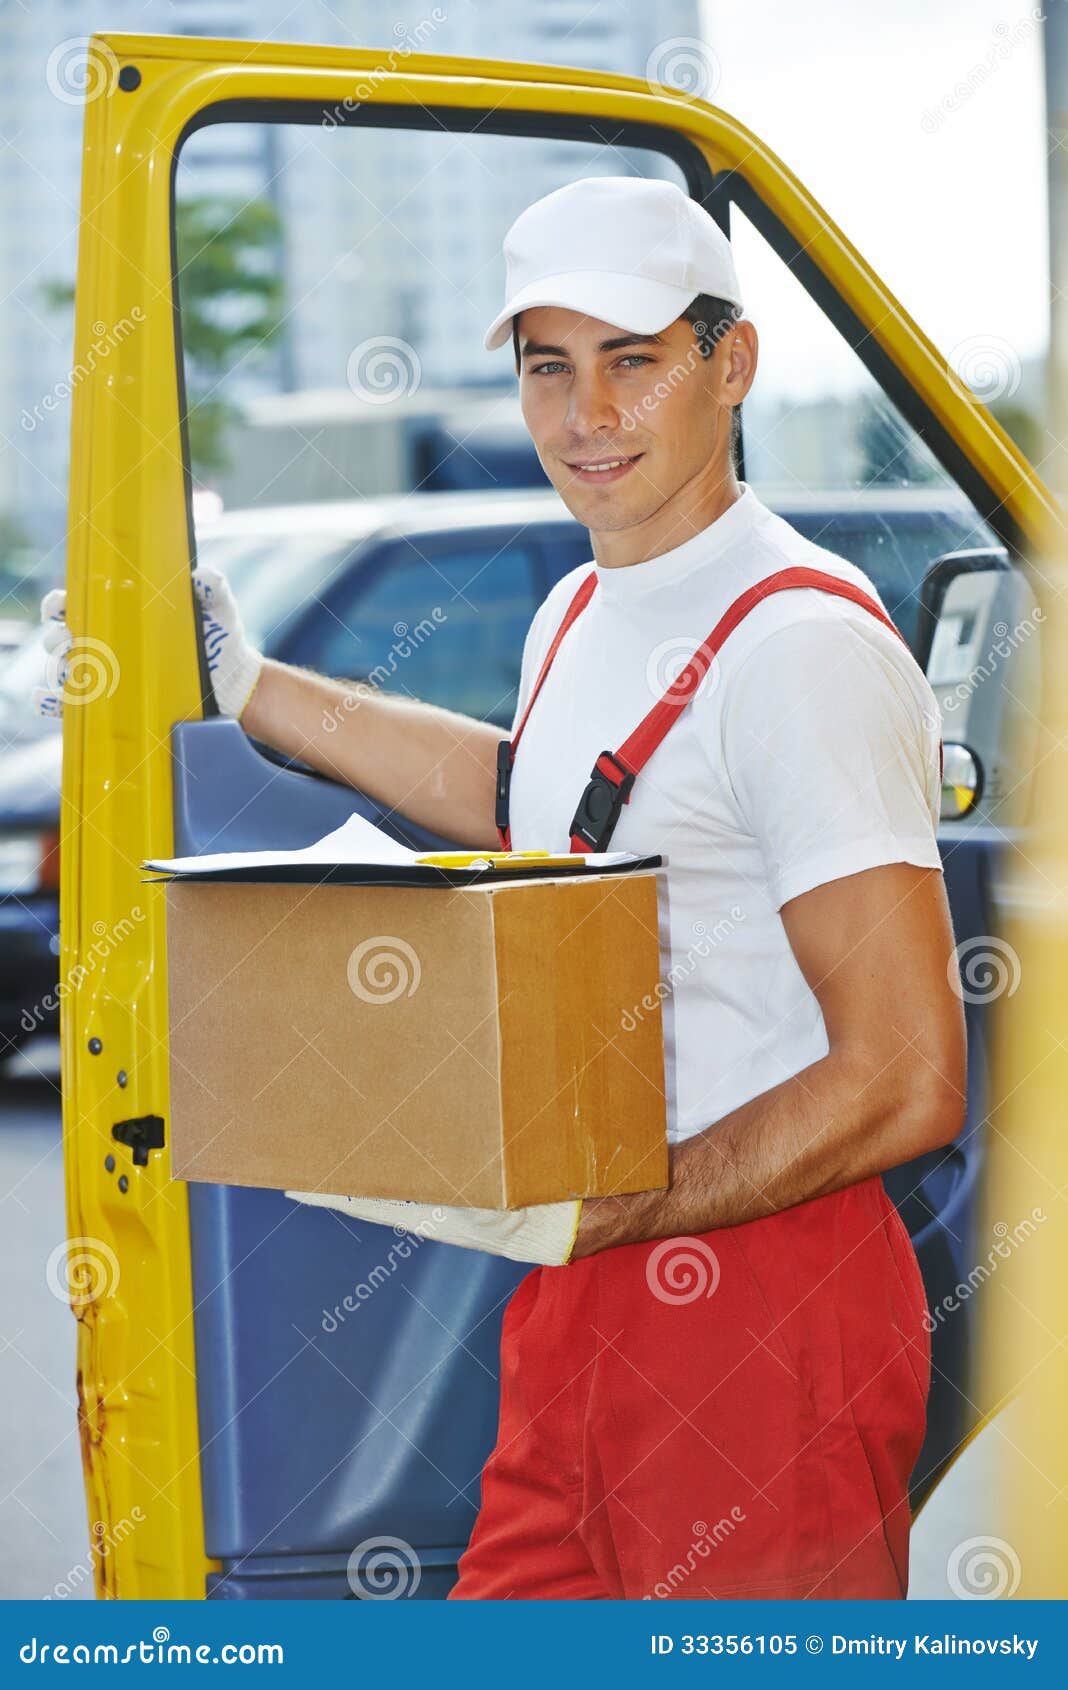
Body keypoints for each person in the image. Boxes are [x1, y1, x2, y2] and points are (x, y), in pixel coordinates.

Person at [38, 175, 966, 1601]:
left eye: (633, 360)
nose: (585, 415)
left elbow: (908, 1075)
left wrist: (619, 1214)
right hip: (584, 1295)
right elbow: (539, 798)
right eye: (549, 366)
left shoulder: (801, 647)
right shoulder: (579, 607)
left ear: (733, 363)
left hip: (768, 1299)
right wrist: (254, 686)